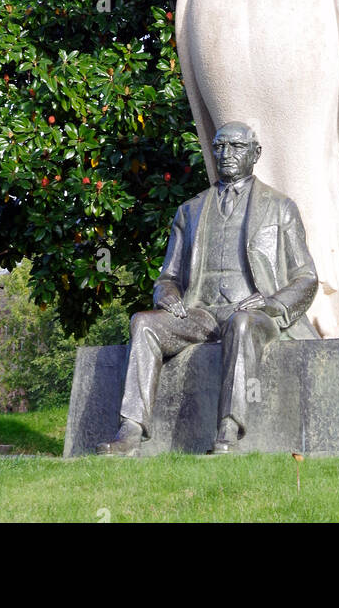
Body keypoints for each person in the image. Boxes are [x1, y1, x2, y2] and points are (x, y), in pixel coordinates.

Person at [98, 121, 318, 455]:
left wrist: (271, 304)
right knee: (143, 323)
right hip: (198, 312)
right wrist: (167, 293)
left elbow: (306, 278)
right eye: (220, 146)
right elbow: (167, 276)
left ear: (255, 153)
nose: (226, 154)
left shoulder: (280, 207)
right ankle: (130, 429)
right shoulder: (189, 210)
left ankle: (228, 430)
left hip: (252, 313)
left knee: (241, 324)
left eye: (237, 147)